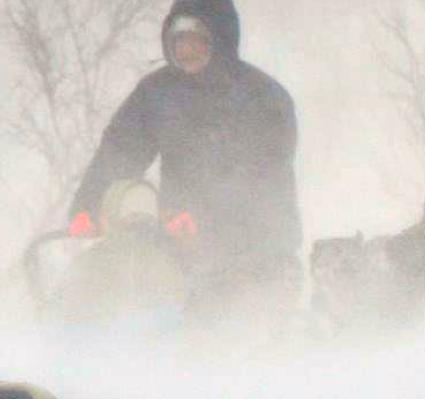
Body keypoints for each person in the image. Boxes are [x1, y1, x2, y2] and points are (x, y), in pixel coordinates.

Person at [67, 0, 300, 335]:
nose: (187, 50)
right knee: (113, 288)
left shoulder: (263, 98)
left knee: (236, 341)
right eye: (179, 41)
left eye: (197, 40)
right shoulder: (158, 94)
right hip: (181, 249)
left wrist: (206, 223)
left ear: (220, 40)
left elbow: (264, 181)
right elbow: (120, 150)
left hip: (260, 256)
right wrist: (90, 205)